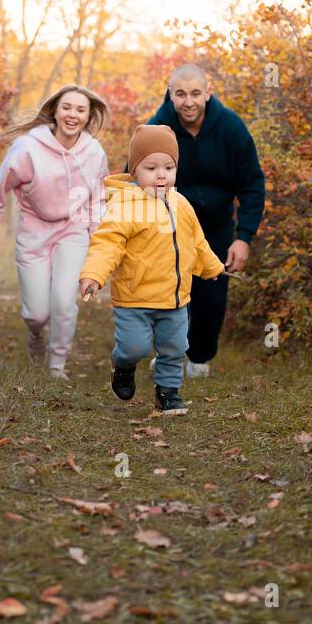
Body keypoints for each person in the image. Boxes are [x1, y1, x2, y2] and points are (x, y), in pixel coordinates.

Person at [130, 64, 265, 377]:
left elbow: (253, 184)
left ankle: (200, 359)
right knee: (170, 295)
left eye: (194, 93)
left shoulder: (231, 128)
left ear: (207, 93)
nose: (188, 101)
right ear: (170, 95)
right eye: (180, 94)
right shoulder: (157, 128)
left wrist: (243, 236)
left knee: (212, 299)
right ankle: (169, 355)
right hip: (168, 227)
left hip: (217, 228)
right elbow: (135, 178)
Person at [78, 124, 225, 411]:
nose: (161, 174)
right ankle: (122, 365)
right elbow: (107, 244)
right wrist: (93, 275)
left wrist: (212, 267)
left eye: (169, 167)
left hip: (175, 299)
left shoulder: (181, 204)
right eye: (151, 167)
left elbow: (197, 242)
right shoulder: (124, 207)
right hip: (134, 299)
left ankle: (168, 393)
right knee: (136, 347)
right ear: (135, 171)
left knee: (174, 347)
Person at [0, 84, 110, 379]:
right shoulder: (28, 148)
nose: (73, 114)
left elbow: (98, 200)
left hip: (73, 230)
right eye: (67, 107)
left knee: (63, 301)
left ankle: (57, 366)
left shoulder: (94, 152)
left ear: (88, 117)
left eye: (80, 110)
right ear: (55, 111)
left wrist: (99, 244)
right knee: (36, 313)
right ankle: (35, 335)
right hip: (34, 232)